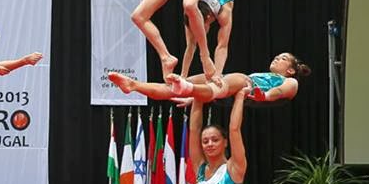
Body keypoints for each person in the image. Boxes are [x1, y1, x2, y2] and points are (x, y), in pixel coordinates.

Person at [131, 0, 234, 84]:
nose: (197, 32)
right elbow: (190, 46)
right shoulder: (191, 12)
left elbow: (222, 46)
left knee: (190, 5)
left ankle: (202, 57)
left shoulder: (225, 10)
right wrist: (184, 76)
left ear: (207, 17)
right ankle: (166, 58)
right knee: (138, 17)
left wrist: (217, 75)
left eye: (199, 26)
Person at [108, 52, 310, 104]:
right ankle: (133, 85)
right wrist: (193, 97)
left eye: (283, 58)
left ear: (291, 70)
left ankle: (187, 88)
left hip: (246, 84)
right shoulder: (267, 73)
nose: (277, 58)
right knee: (172, 88)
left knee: (235, 77)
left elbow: (283, 91)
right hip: (232, 84)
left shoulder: (290, 81)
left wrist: (264, 97)